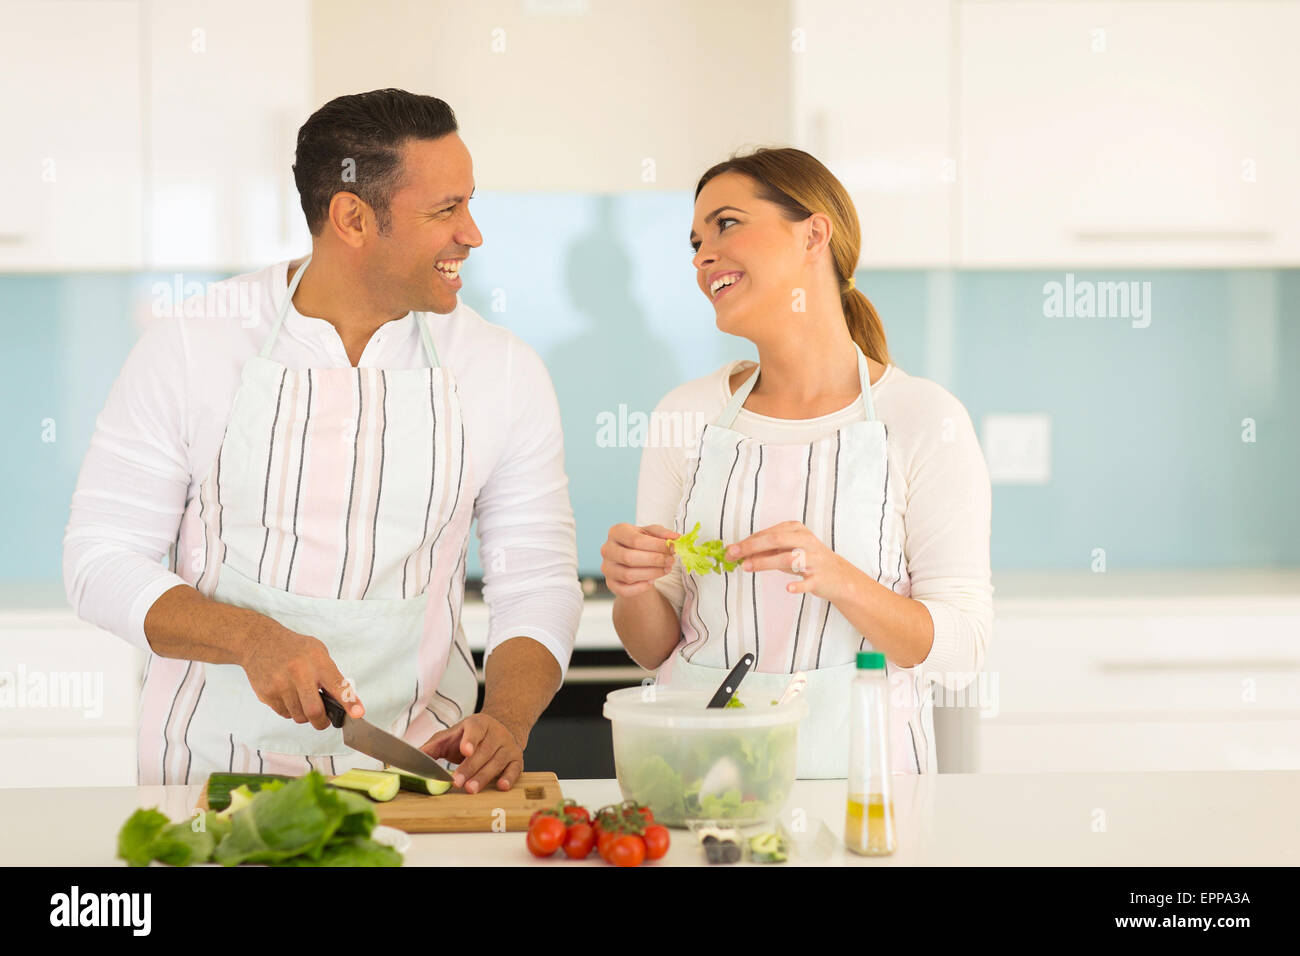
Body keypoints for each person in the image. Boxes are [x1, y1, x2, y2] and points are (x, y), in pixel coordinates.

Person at [63, 89, 582, 792]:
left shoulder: (504, 371)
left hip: (423, 775)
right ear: (353, 218)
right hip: (212, 777)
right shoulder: (191, 347)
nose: (473, 233)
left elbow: (538, 580)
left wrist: (511, 719)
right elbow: (99, 558)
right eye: (445, 211)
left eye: (468, 202)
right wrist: (250, 638)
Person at [604, 147, 993, 777]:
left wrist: (837, 577)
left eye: (726, 224)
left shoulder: (925, 418)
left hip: (868, 791)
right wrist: (634, 584)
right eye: (696, 241)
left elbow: (961, 651)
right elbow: (655, 648)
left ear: (814, 234)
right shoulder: (687, 414)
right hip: (703, 778)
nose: (703, 256)